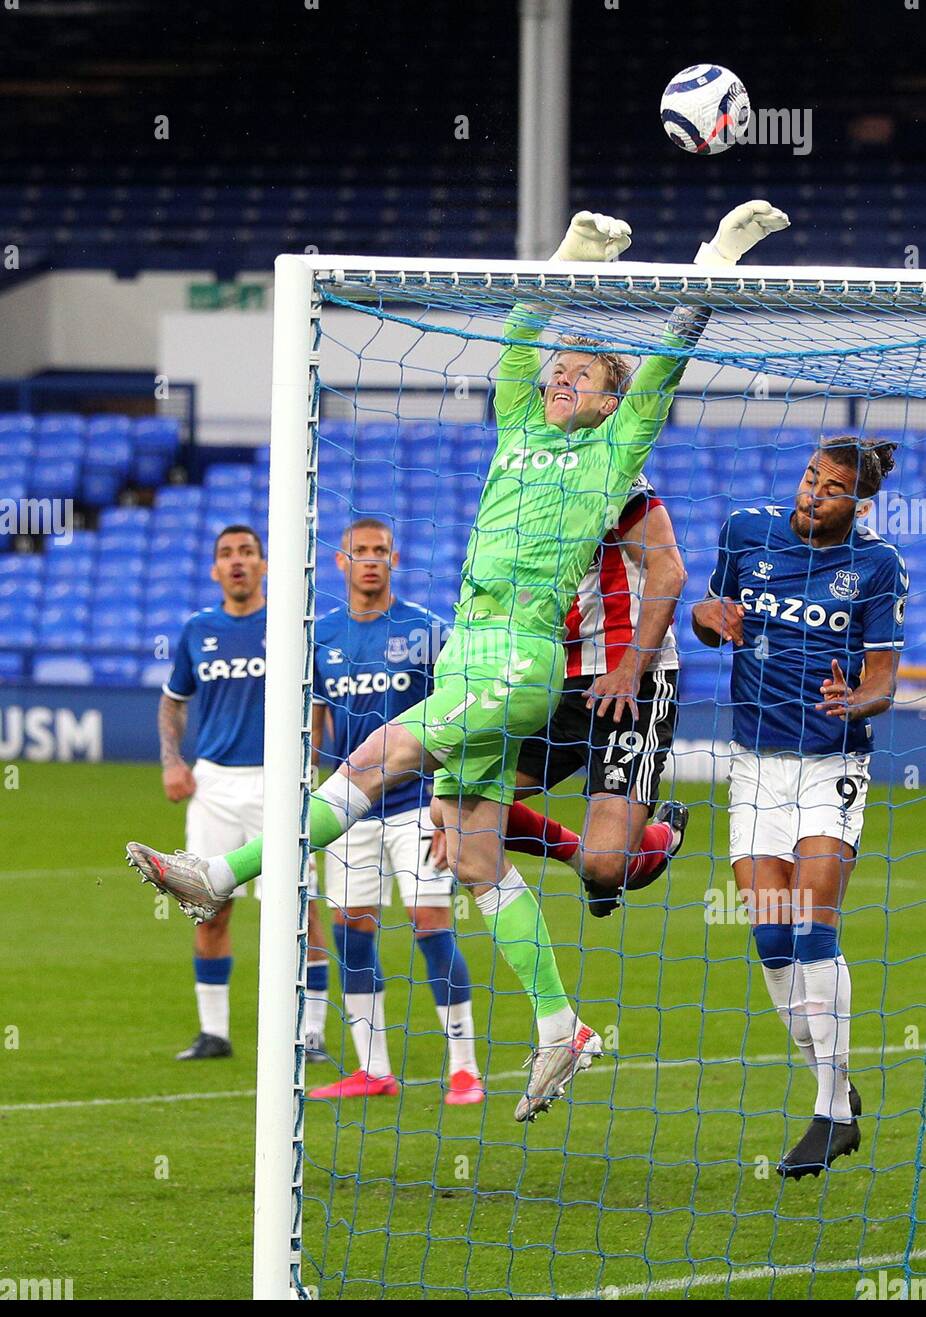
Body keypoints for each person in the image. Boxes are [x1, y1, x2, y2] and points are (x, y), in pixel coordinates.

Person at [127, 201, 789, 1123]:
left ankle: (222, 874)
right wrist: (568, 258)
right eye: (561, 368)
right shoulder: (515, 425)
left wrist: (716, 255)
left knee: (372, 762)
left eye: (585, 374)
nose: (562, 377)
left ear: (610, 399)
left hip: (521, 656)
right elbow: (517, 342)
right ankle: (562, 1028)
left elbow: (669, 360)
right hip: (465, 649)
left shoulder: (613, 454)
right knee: (474, 853)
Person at [691, 438, 907, 1179]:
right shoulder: (746, 529)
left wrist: (859, 700)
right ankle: (839, 1088)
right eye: (811, 479)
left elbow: (885, 679)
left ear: (860, 503)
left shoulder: (877, 565)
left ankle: (827, 1112)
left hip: (832, 764)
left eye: (832, 488)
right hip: (754, 764)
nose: (812, 494)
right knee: (773, 940)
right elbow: (710, 612)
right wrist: (705, 618)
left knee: (815, 925)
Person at [430, 470, 689, 913]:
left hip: (626, 684)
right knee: (451, 806)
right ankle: (579, 855)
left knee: (608, 864)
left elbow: (671, 571)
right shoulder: (524, 488)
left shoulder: (615, 477)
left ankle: (661, 836)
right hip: (547, 680)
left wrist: (630, 667)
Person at [308, 516, 483, 1105]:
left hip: (416, 808)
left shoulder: (429, 632)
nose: (371, 560)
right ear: (341, 561)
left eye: (381, 550)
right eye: (360, 551)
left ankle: (464, 1067)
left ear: (395, 558)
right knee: (352, 930)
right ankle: (373, 1069)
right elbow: (317, 715)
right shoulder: (321, 635)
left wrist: (450, 803)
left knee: (431, 925)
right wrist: (313, 774)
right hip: (349, 810)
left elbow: (459, 716)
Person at [156, 523, 326, 1060]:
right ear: (214, 569)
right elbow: (173, 700)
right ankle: (214, 1033)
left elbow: (320, 701)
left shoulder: (291, 624)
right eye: (227, 554)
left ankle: (313, 1033)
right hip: (215, 785)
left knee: (302, 908)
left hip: (280, 784)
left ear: (264, 565)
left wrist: (310, 766)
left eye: (247, 552)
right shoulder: (196, 630)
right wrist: (171, 762)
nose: (237, 561)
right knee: (209, 904)